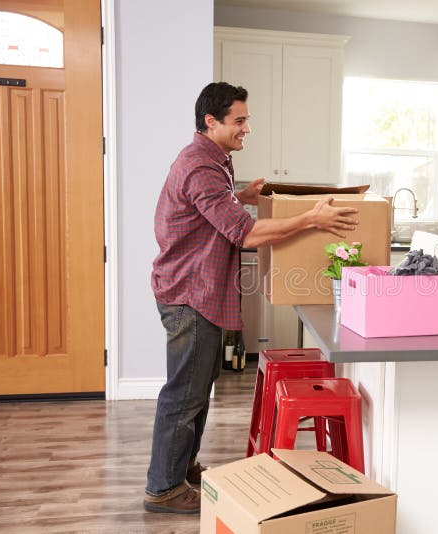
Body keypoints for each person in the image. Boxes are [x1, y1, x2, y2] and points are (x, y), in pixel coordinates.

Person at [144, 82, 359, 514]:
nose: (246, 128)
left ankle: (182, 469)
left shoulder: (212, 161)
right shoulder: (201, 167)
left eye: (246, 120)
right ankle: (163, 488)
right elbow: (246, 233)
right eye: (239, 120)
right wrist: (311, 219)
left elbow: (209, 211)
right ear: (211, 121)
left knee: (197, 390)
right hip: (190, 292)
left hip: (196, 290)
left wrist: (238, 197)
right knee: (184, 395)